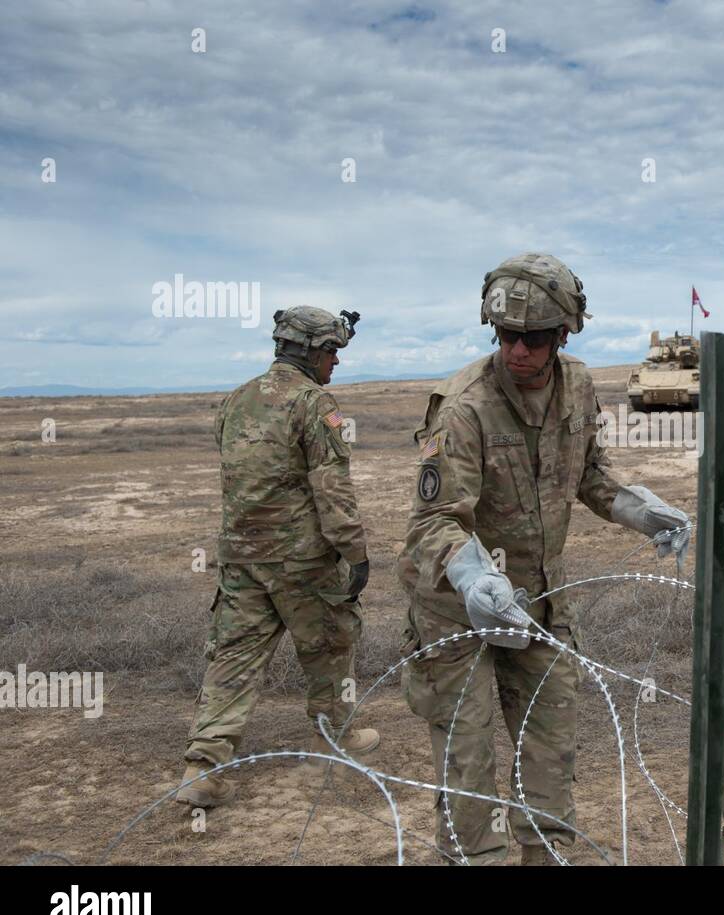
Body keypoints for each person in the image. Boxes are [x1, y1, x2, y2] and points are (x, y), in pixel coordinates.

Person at [398, 253, 690, 864]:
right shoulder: (463, 407)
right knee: (468, 759)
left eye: (532, 338)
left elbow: (588, 474)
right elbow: (435, 520)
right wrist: (474, 574)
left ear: (562, 335)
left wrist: (637, 509)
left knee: (552, 746)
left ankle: (549, 854)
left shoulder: (578, 385)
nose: (518, 351)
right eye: (506, 336)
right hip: (457, 608)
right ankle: (474, 858)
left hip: (538, 601)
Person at [175, 306, 377, 808]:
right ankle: (332, 740)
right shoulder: (314, 403)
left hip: (241, 558)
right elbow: (332, 487)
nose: (336, 361)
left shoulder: (236, 400)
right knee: (331, 644)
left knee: (234, 658)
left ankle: (204, 766)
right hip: (301, 561)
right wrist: (354, 550)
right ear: (308, 350)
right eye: (331, 350)